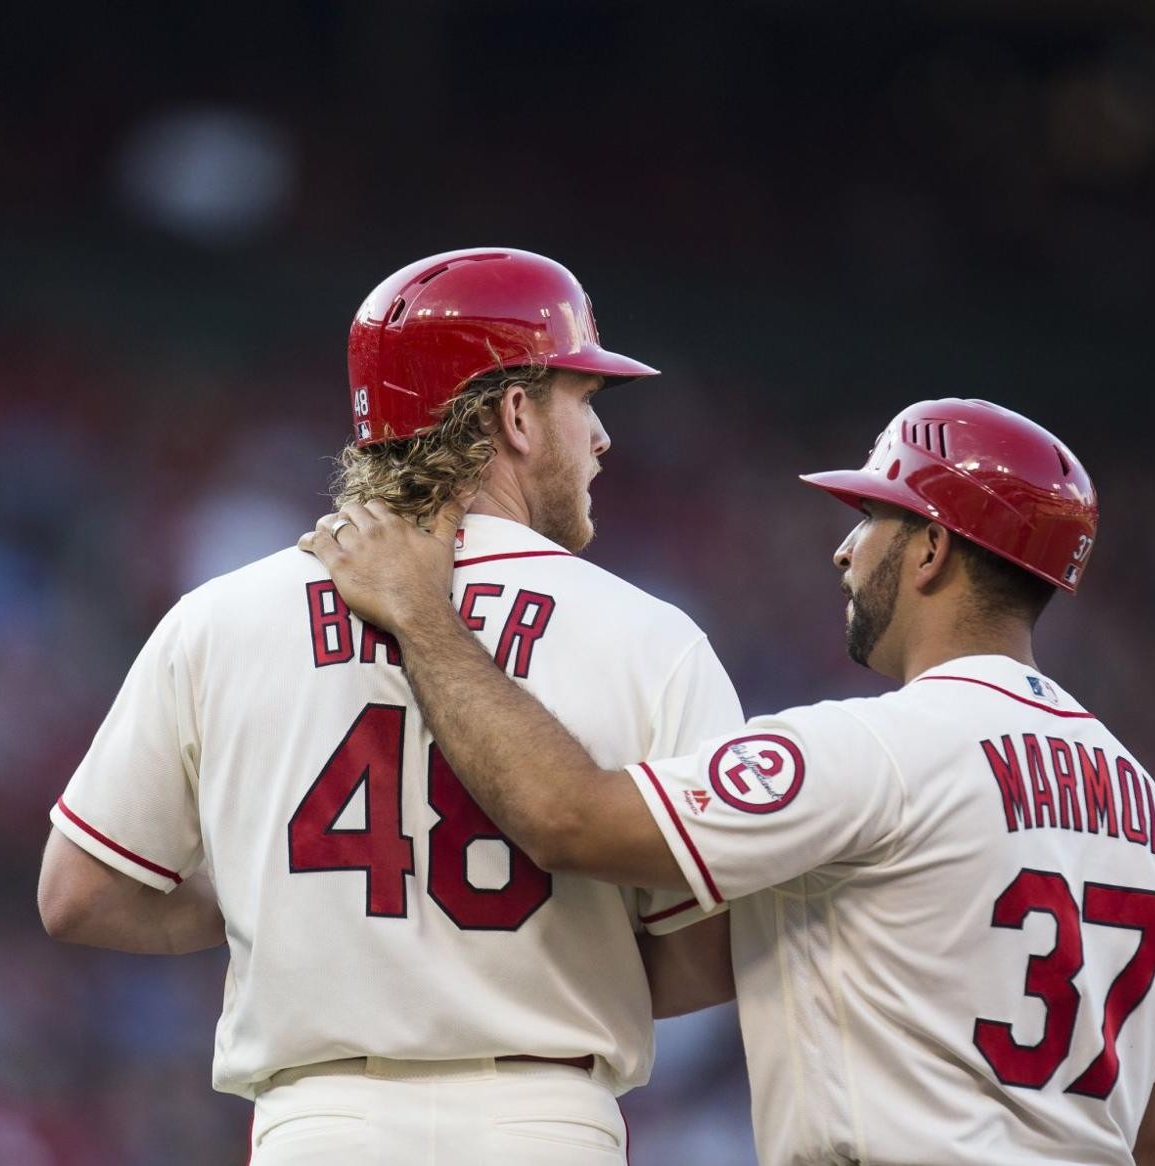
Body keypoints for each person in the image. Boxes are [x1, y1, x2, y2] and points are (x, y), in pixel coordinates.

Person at [302, 397, 1155, 1166]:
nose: (845, 552)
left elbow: (569, 819)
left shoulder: (873, 750)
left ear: (931, 549)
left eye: (870, 520)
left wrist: (421, 614)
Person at [36, 247, 745, 1163]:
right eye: (584, 401)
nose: (602, 439)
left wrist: (267, 904)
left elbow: (80, 894)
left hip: (321, 1122)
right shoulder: (650, 636)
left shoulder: (219, 617)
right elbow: (709, 951)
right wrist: (550, 968)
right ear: (516, 415)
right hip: (541, 1119)